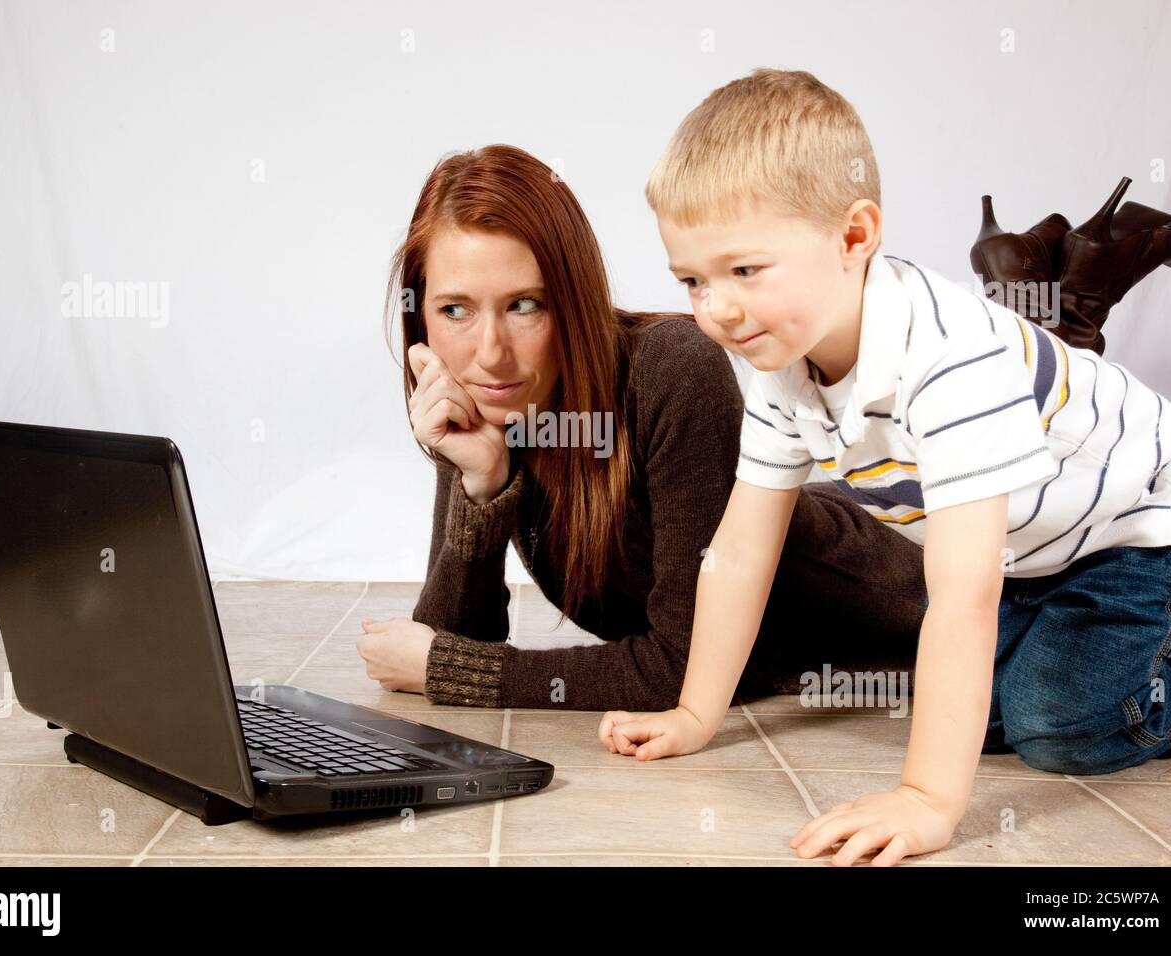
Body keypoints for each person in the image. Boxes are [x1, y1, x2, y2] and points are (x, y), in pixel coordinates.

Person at [598, 68, 1171, 865]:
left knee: (1060, 726)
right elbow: (741, 552)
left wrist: (926, 799)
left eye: (744, 271)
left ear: (853, 237)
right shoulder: (782, 363)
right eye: (693, 280)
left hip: (1132, 527)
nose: (717, 310)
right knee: (977, 717)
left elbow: (962, 596)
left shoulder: (948, 361)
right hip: (1026, 544)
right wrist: (693, 713)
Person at [356, 143, 928, 710]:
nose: (490, 353)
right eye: (455, 310)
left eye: (525, 305)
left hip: (927, 593)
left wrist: (455, 671)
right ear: (421, 316)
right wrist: (480, 484)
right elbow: (447, 640)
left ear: (572, 298)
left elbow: (681, 669)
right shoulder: (484, 407)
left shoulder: (674, 370)